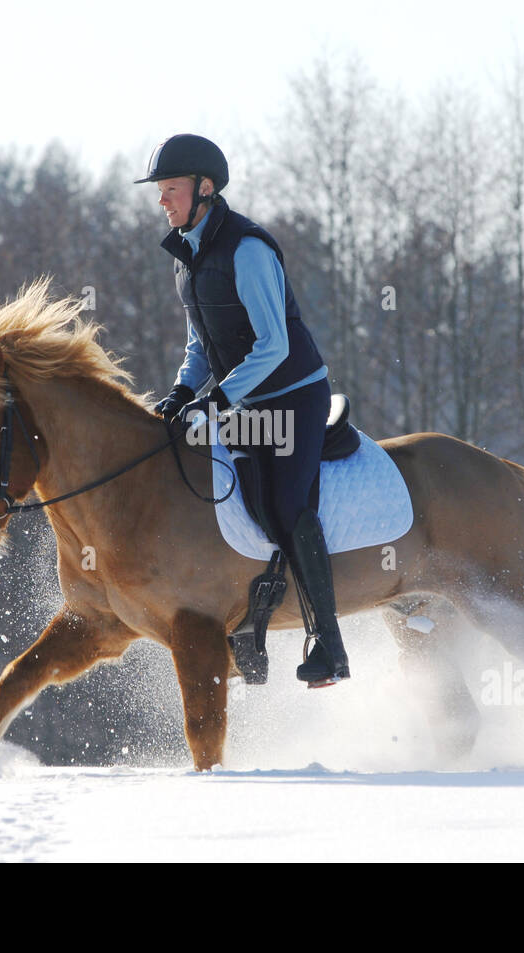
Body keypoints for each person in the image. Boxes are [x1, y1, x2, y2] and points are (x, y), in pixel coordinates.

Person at [136, 133, 350, 686]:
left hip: (293, 396)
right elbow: (199, 347)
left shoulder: (248, 248)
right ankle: (244, 630)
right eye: (160, 191)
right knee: (200, 483)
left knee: (282, 503)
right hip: (239, 397)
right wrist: (184, 393)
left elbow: (273, 345)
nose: (163, 201)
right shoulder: (185, 255)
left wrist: (218, 400)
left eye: (171, 189)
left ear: (205, 189)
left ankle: (328, 645)